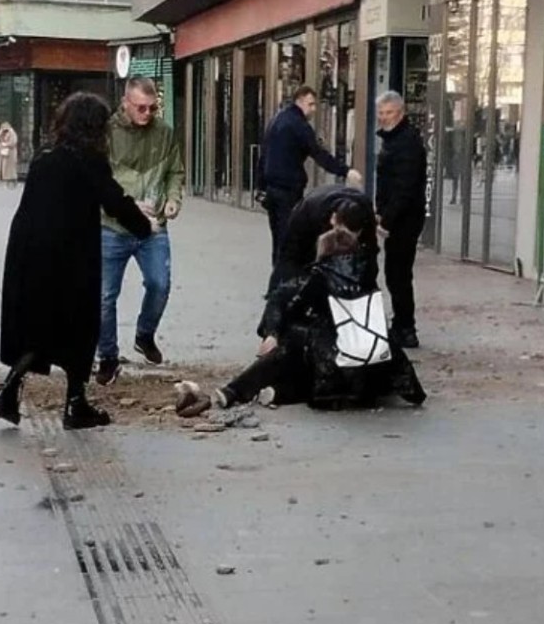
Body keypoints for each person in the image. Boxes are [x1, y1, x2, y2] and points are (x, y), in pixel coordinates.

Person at [0, 93, 153, 430]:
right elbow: (114, 199)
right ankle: (75, 405)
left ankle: (8, 391)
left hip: (27, 252)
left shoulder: (44, 156)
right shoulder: (87, 159)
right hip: (68, 258)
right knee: (79, 327)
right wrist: (144, 226)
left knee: (39, 326)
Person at [177, 228, 425, 415]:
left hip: (335, 364)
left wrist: (274, 333)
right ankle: (278, 393)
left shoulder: (321, 276)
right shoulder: (367, 277)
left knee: (295, 341)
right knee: (317, 345)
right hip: (374, 368)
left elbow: (294, 309)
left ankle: (235, 390)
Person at [96, 76, 184, 383]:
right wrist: (125, 204)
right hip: (112, 226)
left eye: (153, 108)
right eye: (141, 108)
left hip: (153, 226)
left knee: (160, 283)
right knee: (105, 296)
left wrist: (173, 199)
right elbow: (97, 181)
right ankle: (107, 356)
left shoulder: (164, 133)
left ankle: (145, 335)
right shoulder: (106, 134)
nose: (147, 114)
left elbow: (175, 170)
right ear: (125, 104)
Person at [259, 85, 362, 289]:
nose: (314, 109)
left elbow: (263, 155)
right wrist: (345, 171)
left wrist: (260, 187)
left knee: (279, 238)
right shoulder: (299, 125)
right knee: (289, 240)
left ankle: (278, 283)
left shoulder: (277, 120)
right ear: (299, 102)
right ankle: (283, 286)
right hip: (288, 190)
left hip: (272, 190)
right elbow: (319, 153)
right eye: (311, 104)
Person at [259, 183, 378, 338]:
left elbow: (370, 256)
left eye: (352, 235)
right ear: (334, 219)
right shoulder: (308, 212)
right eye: (342, 233)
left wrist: (367, 293)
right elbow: (289, 258)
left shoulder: (365, 213)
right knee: (298, 281)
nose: (345, 239)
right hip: (307, 224)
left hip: (332, 215)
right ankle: (277, 331)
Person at [374, 91, 428, 349]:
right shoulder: (393, 140)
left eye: (389, 113)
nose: (384, 118)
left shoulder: (406, 143)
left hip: (405, 219)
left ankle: (406, 327)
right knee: (395, 273)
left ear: (401, 113)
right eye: (381, 113)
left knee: (398, 274)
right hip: (397, 216)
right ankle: (401, 323)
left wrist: (387, 220)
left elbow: (404, 188)